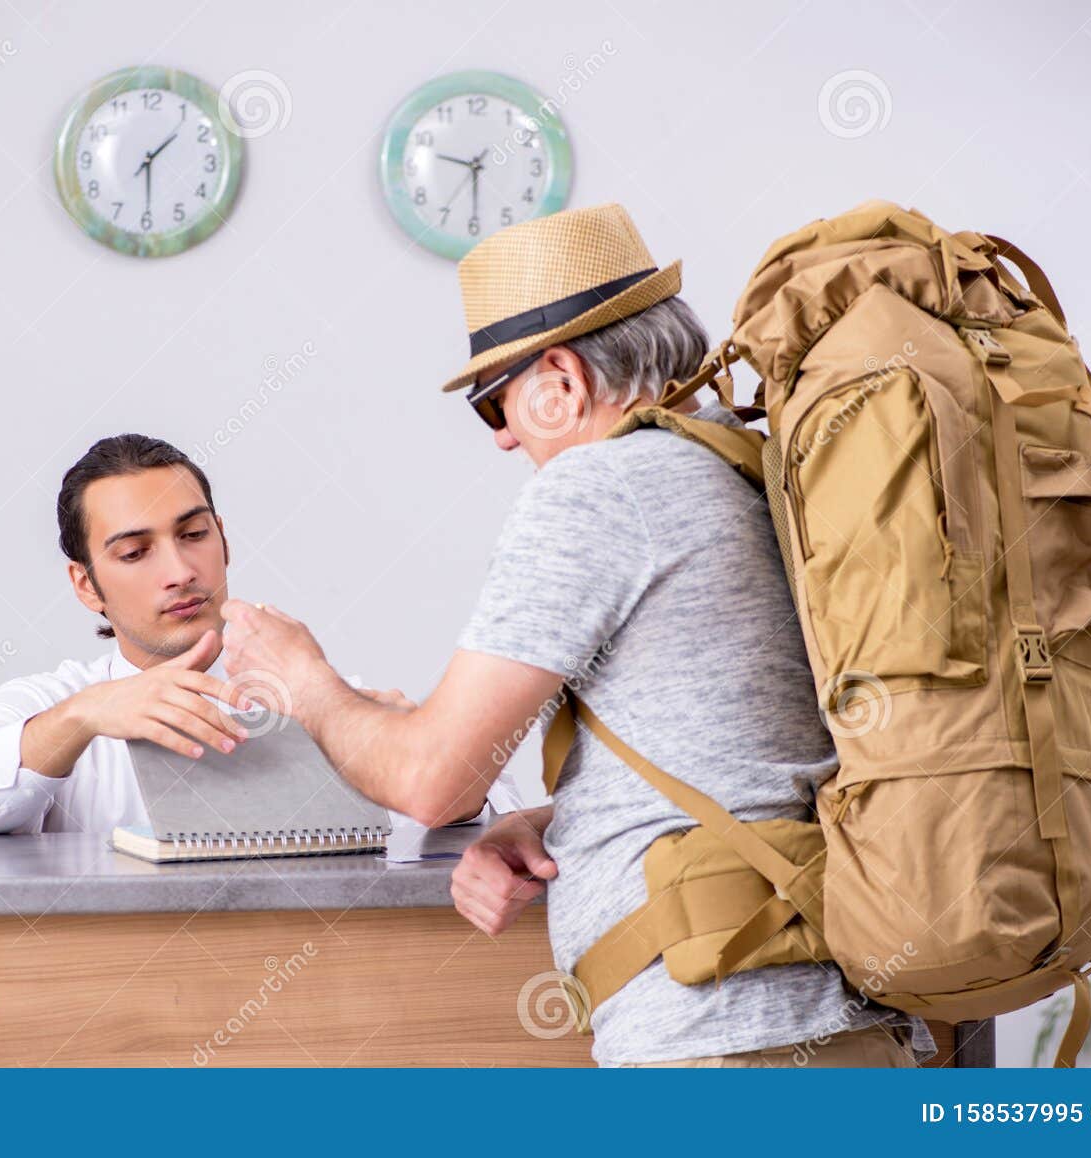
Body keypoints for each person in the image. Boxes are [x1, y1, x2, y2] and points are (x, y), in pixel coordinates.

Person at [217, 203, 936, 1067]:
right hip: (835, 1023)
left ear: (561, 378)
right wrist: (564, 820)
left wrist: (305, 682)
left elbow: (431, 781)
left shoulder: (602, 487)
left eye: (496, 404)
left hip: (722, 1045)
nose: (505, 439)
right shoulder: (748, 466)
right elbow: (762, 756)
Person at [0, 434, 413, 835]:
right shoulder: (46, 703)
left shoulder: (313, 695)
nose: (180, 572)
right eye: (135, 553)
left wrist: (374, 733)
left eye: (194, 535)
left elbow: (465, 806)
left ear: (223, 540)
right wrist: (85, 715)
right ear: (86, 584)